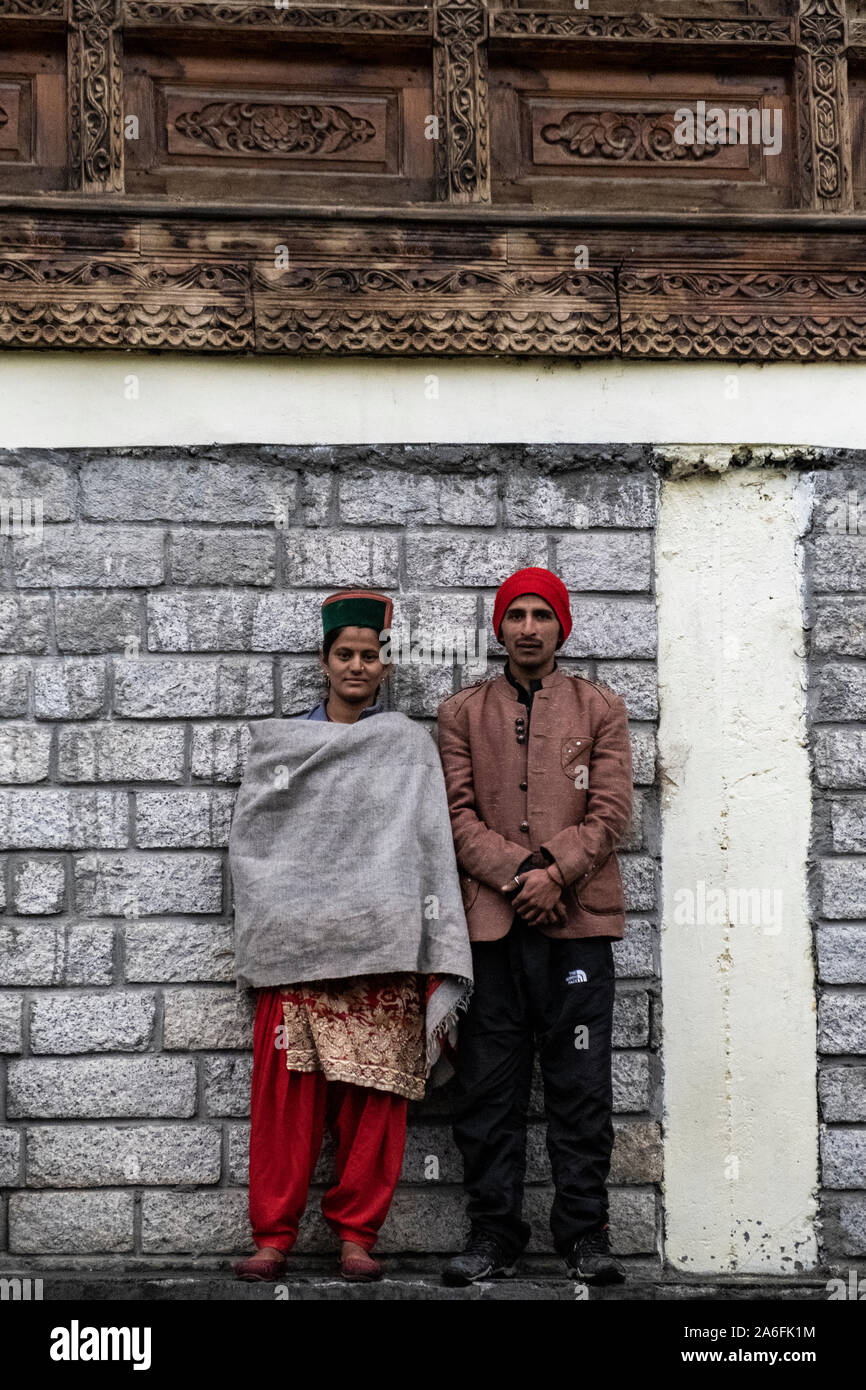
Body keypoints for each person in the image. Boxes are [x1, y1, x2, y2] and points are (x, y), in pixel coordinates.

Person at [230, 589, 472, 1284]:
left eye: (369, 656)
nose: (357, 666)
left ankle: (357, 1237)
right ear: (324, 661)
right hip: (298, 955)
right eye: (345, 655)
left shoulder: (405, 744)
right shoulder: (283, 748)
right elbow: (256, 848)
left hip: (385, 951)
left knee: (376, 1103)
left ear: (384, 666)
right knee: (286, 1106)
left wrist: (426, 941)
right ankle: (272, 1236)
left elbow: (426, 847)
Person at [435, 567, 634, 1286]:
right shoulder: (461, 713)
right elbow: (453, 817)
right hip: (491, 930)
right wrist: (523, 877)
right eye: (514, 614)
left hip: (578, 926)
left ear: (561, 626)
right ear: (499, 626)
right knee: (488, 1092)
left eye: (540, 615)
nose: (526, 627)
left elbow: (611, 812)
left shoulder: (600, 707)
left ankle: (586, 1236)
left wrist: (556, 873)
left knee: (581, 1088)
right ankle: (495, 1233)